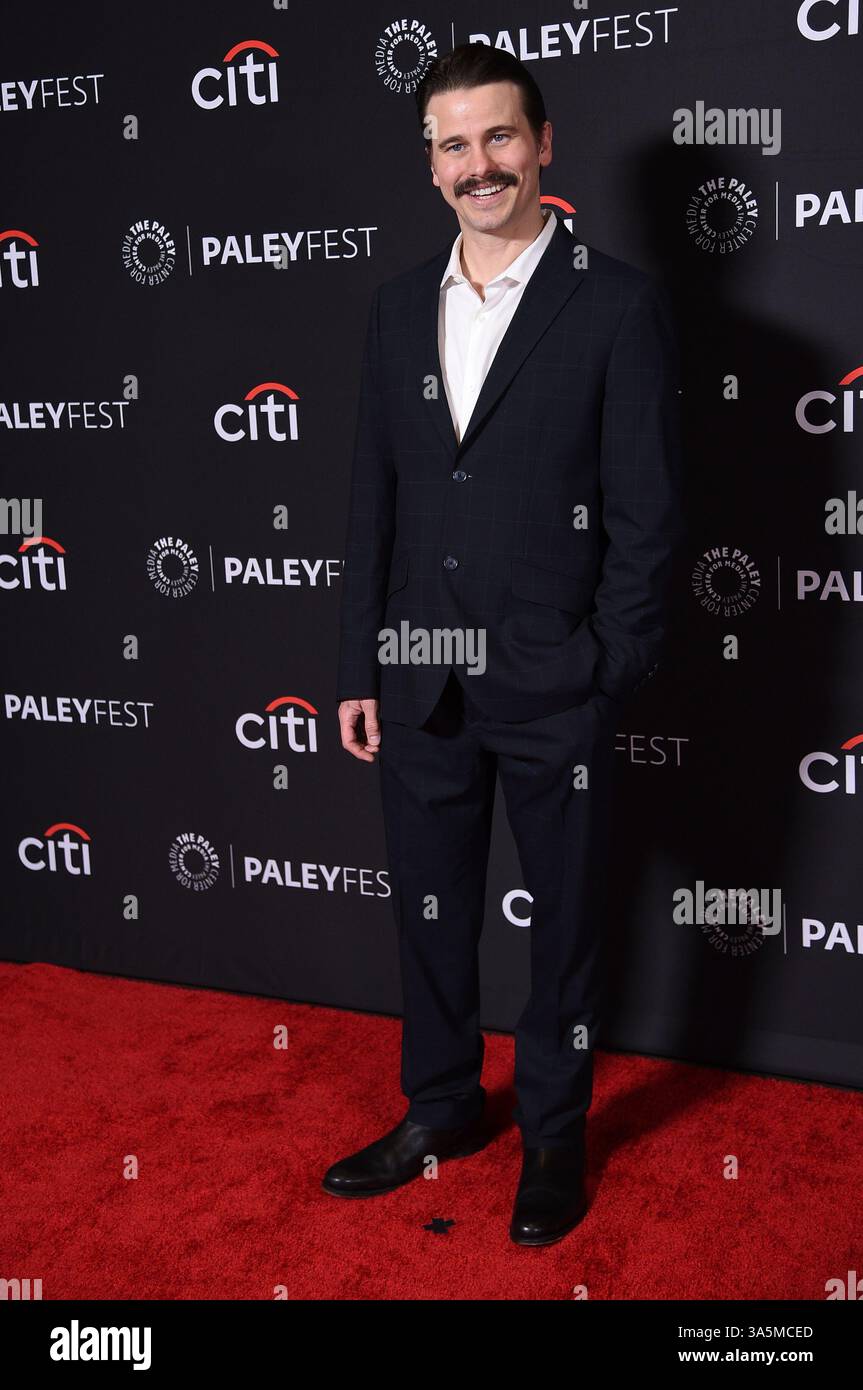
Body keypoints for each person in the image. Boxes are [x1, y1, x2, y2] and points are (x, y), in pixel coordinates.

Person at [325, 42, 685, 1245]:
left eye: (497, 137)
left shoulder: (617, 303)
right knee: (427, 919)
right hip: (417, 684)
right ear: (427, 165)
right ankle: (439, 1109)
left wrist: (602, 667)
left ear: (541, 147)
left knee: (568, 934)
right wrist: (355, 671)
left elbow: (646, 518)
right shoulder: (390, 309)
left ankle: (554, 1135)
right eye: (451, 143)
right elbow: (370, 502)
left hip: (553, 688)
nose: (476, 164)